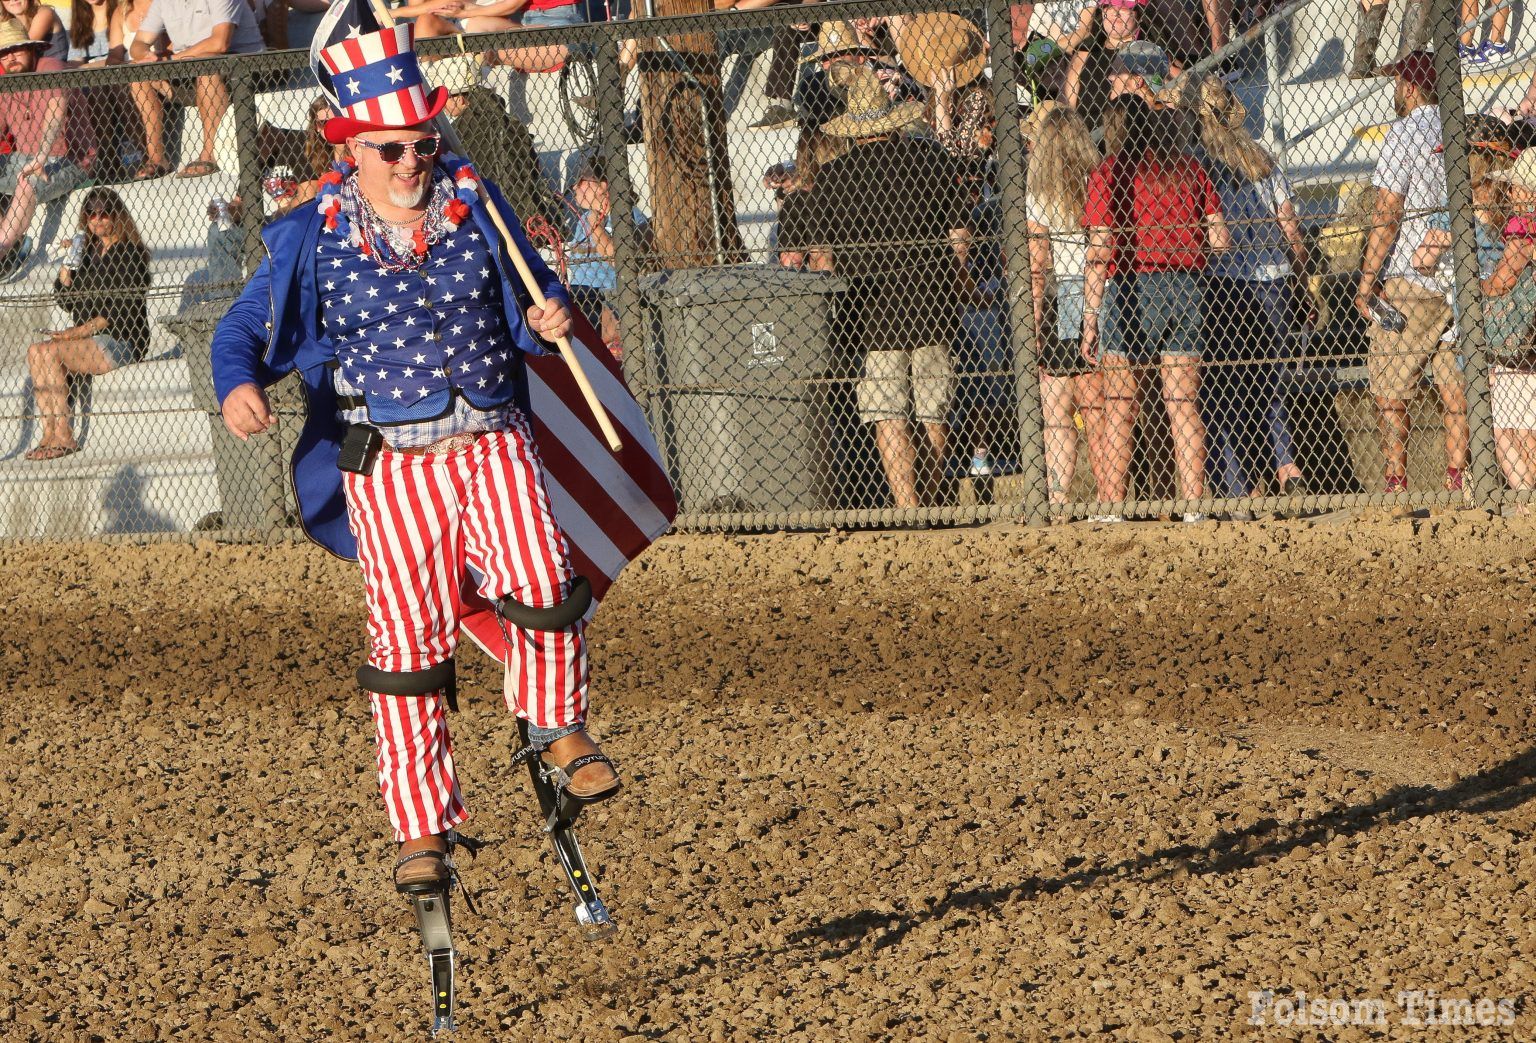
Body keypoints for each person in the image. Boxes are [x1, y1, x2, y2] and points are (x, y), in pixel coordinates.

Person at [211, 21, 617, 892]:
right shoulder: (309, 237)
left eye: (422, 143)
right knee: (406, 647)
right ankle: (423, 824)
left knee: (545, 582)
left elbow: (527, 300)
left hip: (494, 439)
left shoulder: (478, 207)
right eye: (391, 147)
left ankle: (557, 724)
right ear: (349, 146)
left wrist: (548, 316)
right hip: (389, 467)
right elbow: (244, 327)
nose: (410, 162)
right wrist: (238, 383)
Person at [798, 65, 970, 509]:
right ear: (892, 121)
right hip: (932, 298)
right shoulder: (930, 158)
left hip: (870, 308)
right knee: (934, 408)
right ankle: (932, 497)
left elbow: (822, 257)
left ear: (855, 130)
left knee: (887, 412)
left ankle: (907, 505)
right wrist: (960, 280)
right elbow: (958, 236)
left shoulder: (834, 177)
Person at [1082, 95, 1227, 519]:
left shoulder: (1109, 172)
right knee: (1183, 404)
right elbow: (1220, 240)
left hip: (1131, 286)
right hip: (1186, 287)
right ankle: (1195, 505)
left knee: (1121, 407)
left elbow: (1101, 244)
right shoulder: (1191, 169)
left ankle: (1112, 506)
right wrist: (1183, 244)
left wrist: (1090, 316)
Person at [1193, 75, 1312, 501]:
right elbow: (1289, 226)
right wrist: (1302, 278)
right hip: (1274, 277)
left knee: (1228, 389)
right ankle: (1286, 465)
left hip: (1224, 284)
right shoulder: (1262, 158)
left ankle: (1239, 487)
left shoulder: (1199, 163)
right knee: (1273, 381)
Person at [1354, 52, 1465, 496]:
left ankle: (1396, 479)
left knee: (1388, 386)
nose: (1395, 90)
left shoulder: (1403, 132)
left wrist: (1366, 281)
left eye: (1398, 81)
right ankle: (1457, 477)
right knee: (1455, 382)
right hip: (1458, 275)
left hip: (1410, 279)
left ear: (1411, 86)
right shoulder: (1458, 124)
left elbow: (1388, 210)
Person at [1418, 140, 1536, 501]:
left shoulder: (1517, 224)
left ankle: (1524, 496)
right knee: (1517, 422)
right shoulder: (1468, 219)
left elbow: (1502, 281)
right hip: (1506, 337)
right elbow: (1421, 260)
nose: (1510, 190)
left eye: (1516, 186)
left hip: (1505, 336)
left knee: (1503, 428)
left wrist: (1474, 286)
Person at [1024, 102, 1109, 512]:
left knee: (1056, 409)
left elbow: (1037, 264)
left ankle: (1057, 498)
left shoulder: (1038, 193)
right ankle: (1109, 496)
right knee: (1096, 408)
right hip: (1096, 289)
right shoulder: (1097, 180)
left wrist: (1033, 322)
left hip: (1062, 296)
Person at [24, 188, 151, 460]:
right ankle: (49, 433)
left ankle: (65, 435)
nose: (97, 219)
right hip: (86, 340)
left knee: (53, 351)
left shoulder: (129, 252)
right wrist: (66, 272)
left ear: (117, 215)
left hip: (122, 340)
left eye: (104, 213)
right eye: (90, 214)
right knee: (36, 351)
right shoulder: (88, 254)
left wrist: (73, 333)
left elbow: (118, 312)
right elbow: (68, 302)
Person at [127, 0, 266, 180]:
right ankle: (156, 158)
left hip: (247, 70)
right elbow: (138, 42)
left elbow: (220, 43)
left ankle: (210, 155)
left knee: (207, 66)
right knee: (139, 75)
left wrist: (173, 59)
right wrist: (144, 55)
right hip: (190, 69)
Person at [0, 21, 97, 281]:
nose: (10, 57)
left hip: (71, 161)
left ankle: (3, 250)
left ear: (31, 49)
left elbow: (56, 110)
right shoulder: (6, 82)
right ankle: (9, 246)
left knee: (28, 179)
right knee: (22, 172)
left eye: (16, 50)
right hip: (28, 160)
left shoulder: (50, 67)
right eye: (4, 53)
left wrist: (41, 157)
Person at [3, 0, 68, 62]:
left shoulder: (45, 13)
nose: (13, 0)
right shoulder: (8, 23)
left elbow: (24, 47)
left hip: (53, 71)